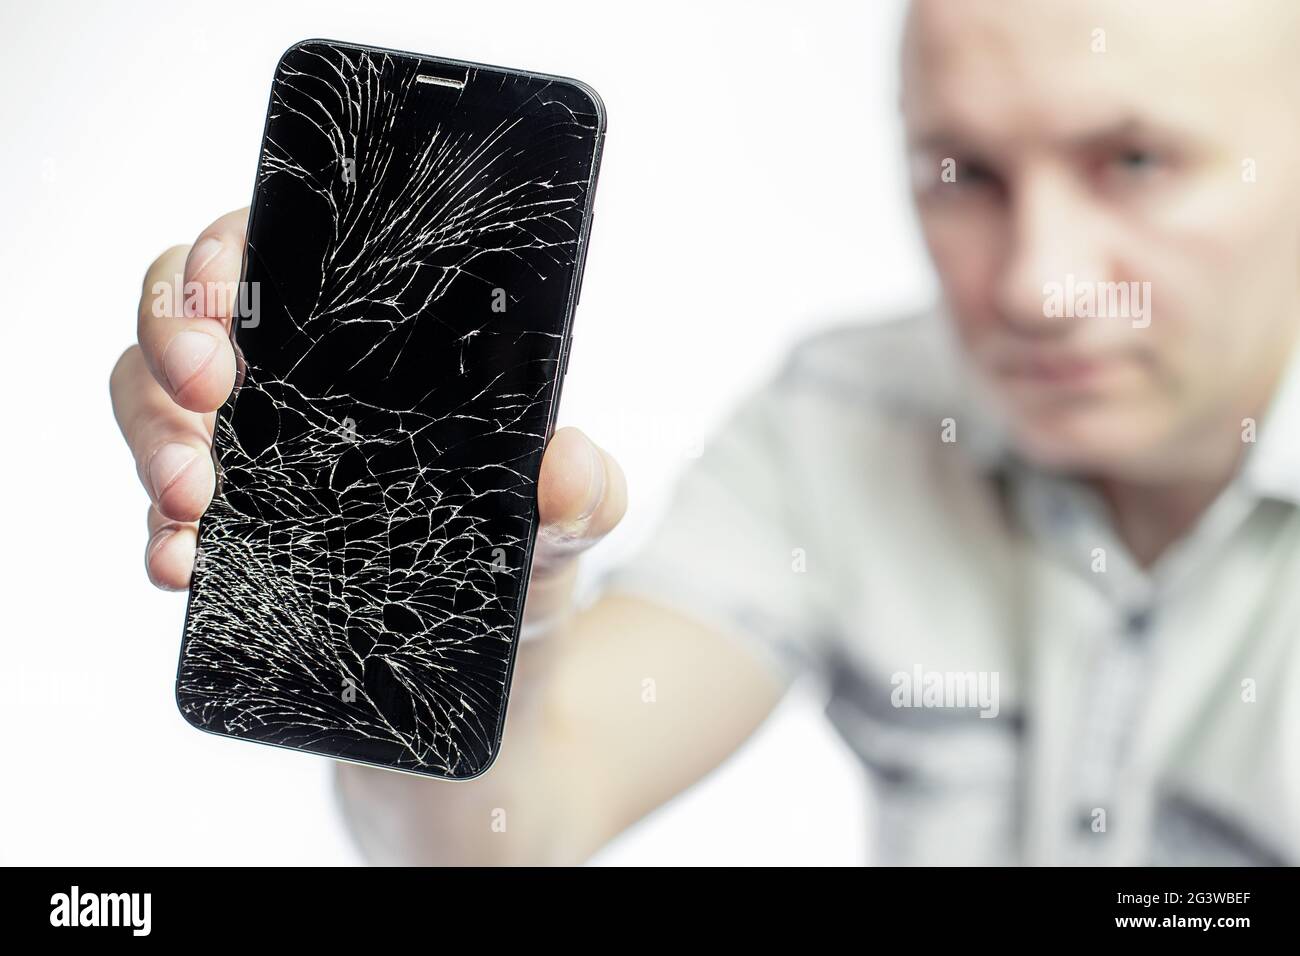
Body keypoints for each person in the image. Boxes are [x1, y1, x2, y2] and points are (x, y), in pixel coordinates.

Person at [110, 0, 1300, 864]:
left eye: (1136, 161)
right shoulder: (845, 420)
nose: (1040, 285)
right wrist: (461, 619)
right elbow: (510, 831)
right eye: (962, 172)